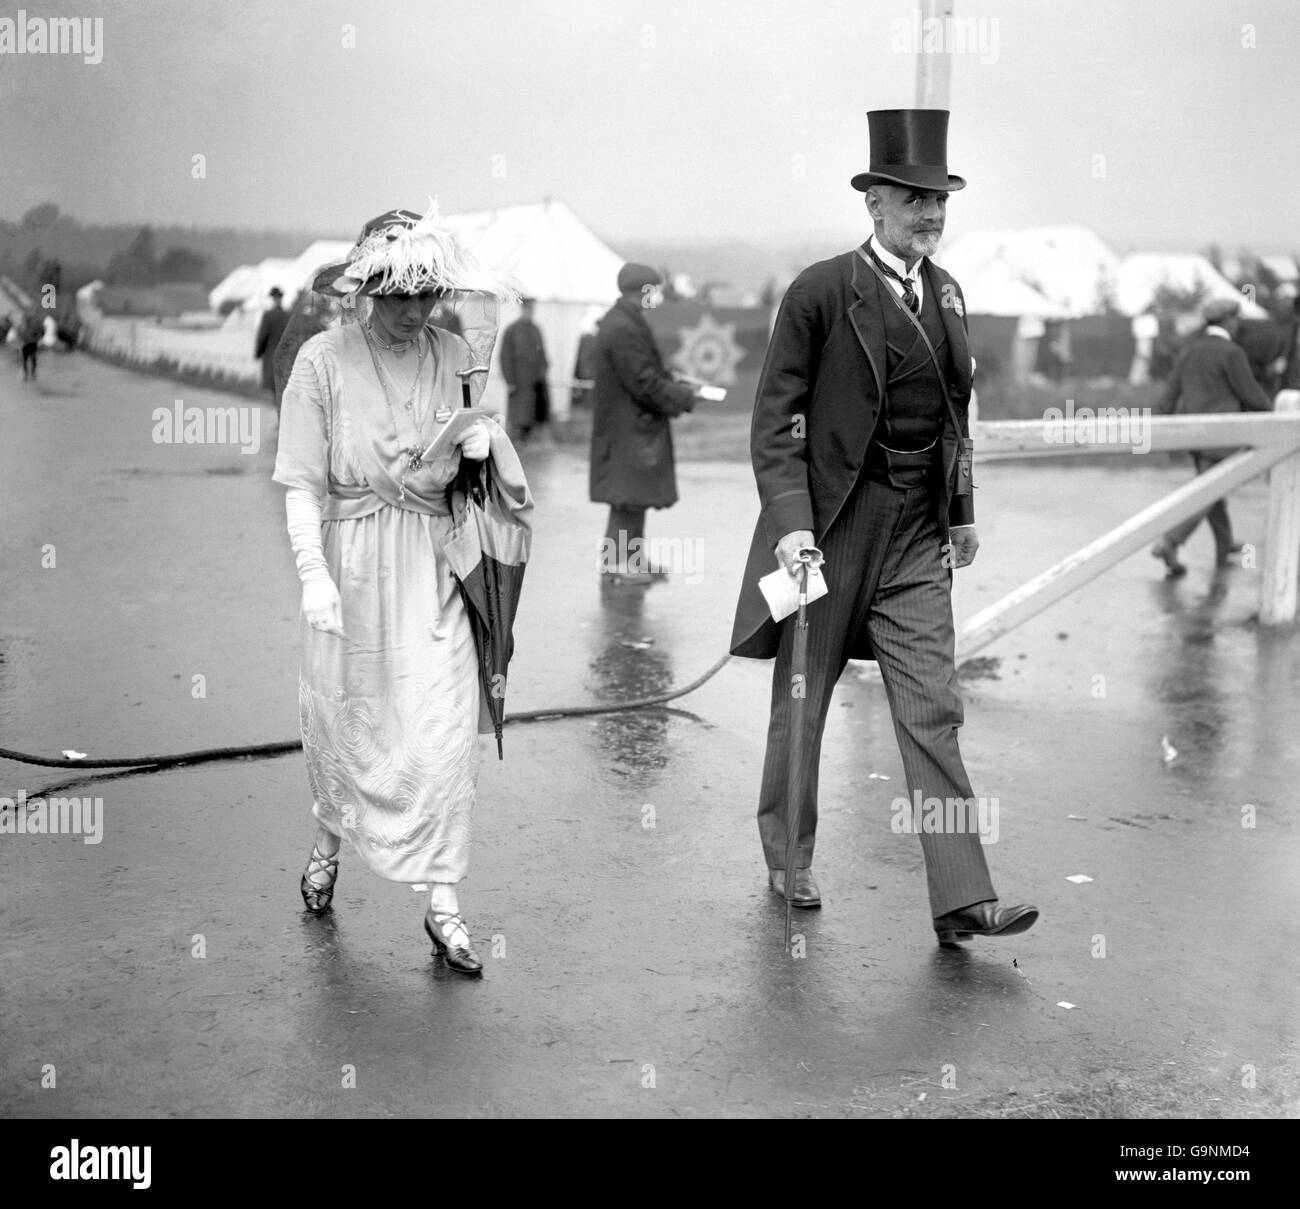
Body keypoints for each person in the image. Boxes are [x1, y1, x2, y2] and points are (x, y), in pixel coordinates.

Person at [729, 109, 1038, 945]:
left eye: (939, 201)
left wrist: (963, 513)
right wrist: (791, 526)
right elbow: (773, 425)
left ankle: (964, 896)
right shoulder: (821, 291)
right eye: (913, 199)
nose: (930, 216)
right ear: (873, 203)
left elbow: (956, 416)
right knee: (803, 699)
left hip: (914, 534)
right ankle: (788, 854)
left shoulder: (949, 292)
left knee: (933, 704)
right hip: (829, 526)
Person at [272, 204, 529, 976]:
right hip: (350, 566)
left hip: (436, 562)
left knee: (444, 730)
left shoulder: (460, 353)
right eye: (398, 294)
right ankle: (328, 835)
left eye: (427, 293)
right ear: (366, 290)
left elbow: (492, 466)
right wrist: (312, 572)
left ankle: (443, 901)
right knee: (350, 723)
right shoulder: (321, 361)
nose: (415, 311)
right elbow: (299, 481)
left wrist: (488, 443)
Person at [590, 264, 701, 582]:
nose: (658, 296)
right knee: (627, 497)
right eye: (655, 289)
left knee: (631, 498)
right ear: (644, 291)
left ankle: (627, 559)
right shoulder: (624, 327)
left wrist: (675, 383)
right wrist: (685, 397)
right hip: (629, 427)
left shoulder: (623, 321)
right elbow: (643, 382)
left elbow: (645, 374)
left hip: (628, 424)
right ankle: (620, 563)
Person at [1151, 296, 1273, 578]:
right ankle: (1171, 541)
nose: (1238, 324)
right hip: (1223, 439)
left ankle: (1224, 544)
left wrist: (1162, 429)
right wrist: (1272, 418)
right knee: (1210, 492)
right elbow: (1252, 395)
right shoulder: (1231, 353)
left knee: (1212, 489)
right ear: (1229, 321)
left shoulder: (1189, 352)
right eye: (1237, 320)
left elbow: (1169, 397)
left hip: (1196, 437)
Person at [500, 297, 549, 441]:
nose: (530, 312)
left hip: (534, 383)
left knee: (532, 416)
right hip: (518, 383)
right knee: (518, 416)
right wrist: (509, 380)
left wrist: (542, 372)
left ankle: (529, 442)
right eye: (528, 309)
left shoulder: (536, 330)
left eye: (532, 309)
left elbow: (542, 354)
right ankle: (515, 442)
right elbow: (505, 357)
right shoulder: (512, 330)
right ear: (522, 309)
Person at [254, 287, 291, 408]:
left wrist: (258, 353)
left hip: (272, 355)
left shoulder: (268, 315)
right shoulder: (288, 316)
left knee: (275, 387)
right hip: (286, 356)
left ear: (273, 299)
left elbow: (262, 336)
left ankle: (280, 418)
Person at [19, 308, 43, 381]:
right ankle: (30, 374)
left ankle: (29, 374)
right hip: (29, 346)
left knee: (29, 361)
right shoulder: (27, 328)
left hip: (29, 345)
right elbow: (38, 335)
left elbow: (38, 335)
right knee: (30, 361)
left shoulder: (25, 328)